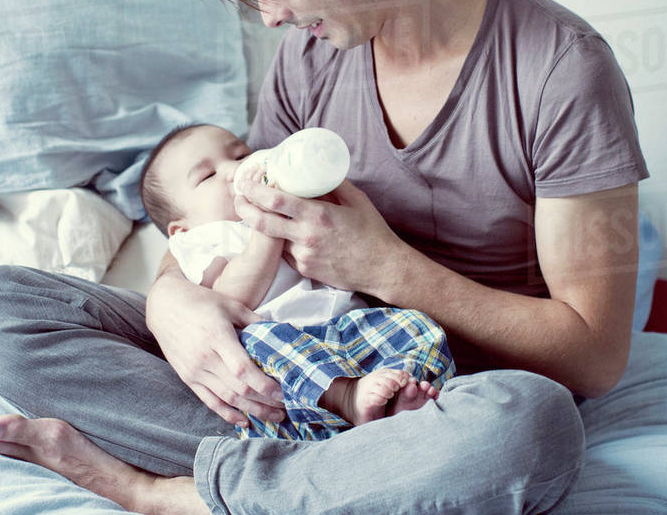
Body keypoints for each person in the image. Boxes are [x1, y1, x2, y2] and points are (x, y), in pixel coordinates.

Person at [0, 0, 646, 515]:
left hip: (438, 395)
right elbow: (234, 222)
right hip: (289, 361)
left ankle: (175, 492)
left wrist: (389, 268)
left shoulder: (560, 70)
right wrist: (171, 307)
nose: (271, 14)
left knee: (531, 431)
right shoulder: (309, 58)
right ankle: (349, 485)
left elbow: (594, 355)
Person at [139, 121, 456, 440]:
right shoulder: (202, 240)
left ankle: (403, 391)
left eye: (240, 155)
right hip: (285, 356)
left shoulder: (290, 201)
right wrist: (266, 227)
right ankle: (346, 397)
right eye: (207, 176)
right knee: (257, 340)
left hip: (350, 328)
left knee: (414, 326)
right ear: (180, 229)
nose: (235, 171)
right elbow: (232, 297)